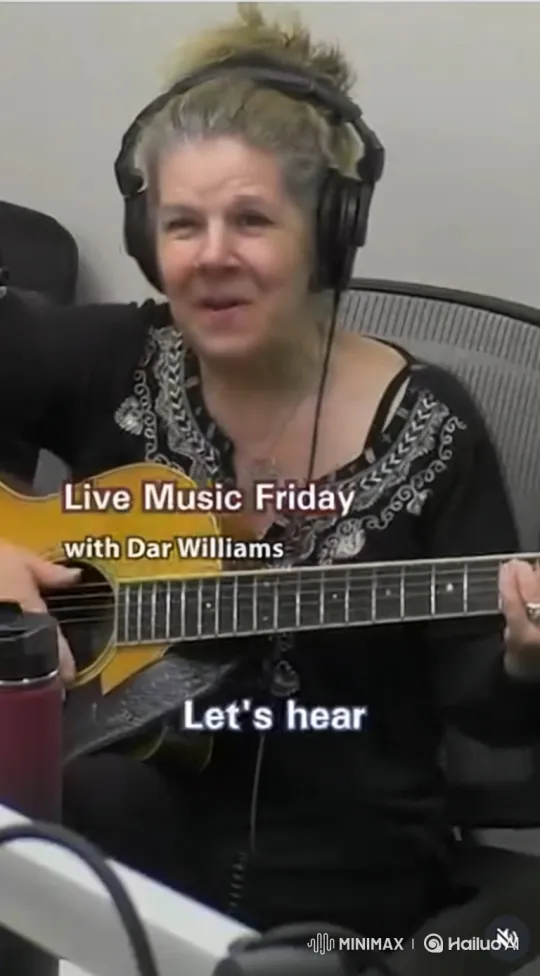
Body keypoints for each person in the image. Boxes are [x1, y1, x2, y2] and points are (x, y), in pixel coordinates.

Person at [0, 3, 540, 946]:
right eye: (181, 224)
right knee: (99, 802)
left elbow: (485, 712)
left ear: (327, 234)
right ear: (145, 241)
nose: (211, 257)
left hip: (343, 868)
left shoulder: (432, 429)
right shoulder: (108, 358)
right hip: (103, 834)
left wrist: (525, 659)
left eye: (250, 219)